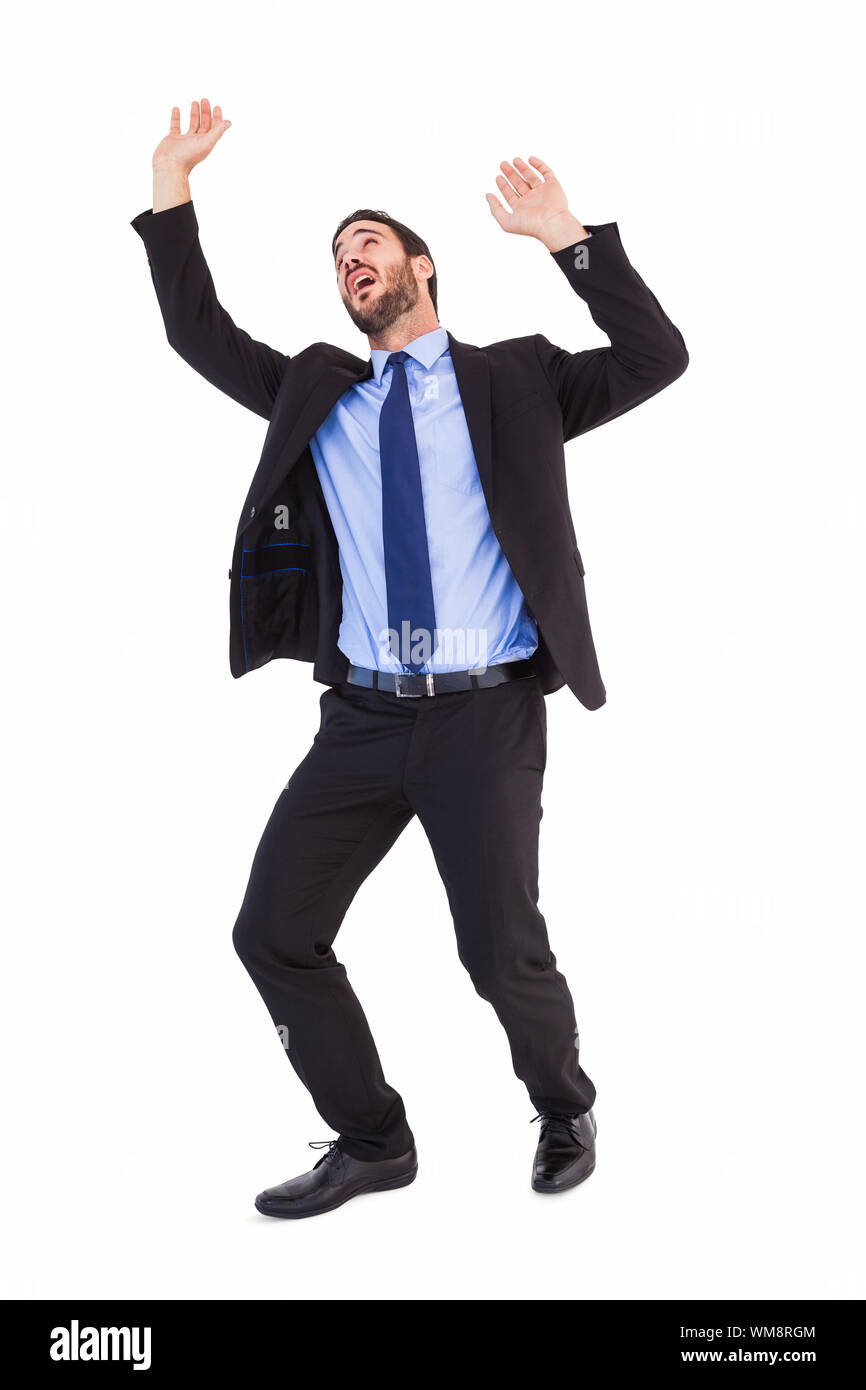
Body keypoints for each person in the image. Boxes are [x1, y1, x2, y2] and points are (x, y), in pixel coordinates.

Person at [131, 97, 688, 1220]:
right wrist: (169, 186)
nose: (351, 263)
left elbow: (655, 356)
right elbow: (197, 333)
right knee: (272, 931)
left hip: (482, 713)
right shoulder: (317, 391)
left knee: (496, 952)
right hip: (363, 719)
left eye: (368, 244)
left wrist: (567, 238)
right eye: (339, 257)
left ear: (422, 268)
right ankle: (372, 1138)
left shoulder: (517, 378)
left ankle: (562, 1098)